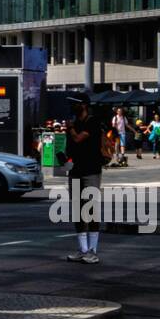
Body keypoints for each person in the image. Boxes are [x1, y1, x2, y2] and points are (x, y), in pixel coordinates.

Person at [64, 97, 103, 264]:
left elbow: (79, 138)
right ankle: (83, 249)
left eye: (76, 103)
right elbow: (70, 146)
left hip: (91, 170)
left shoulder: (92, 121)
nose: (73, 106)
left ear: (84, 105)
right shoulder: (74, 123)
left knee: (91, 209)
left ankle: (93, 250)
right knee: (77, 210)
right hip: (76, 170)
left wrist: (71, 128)